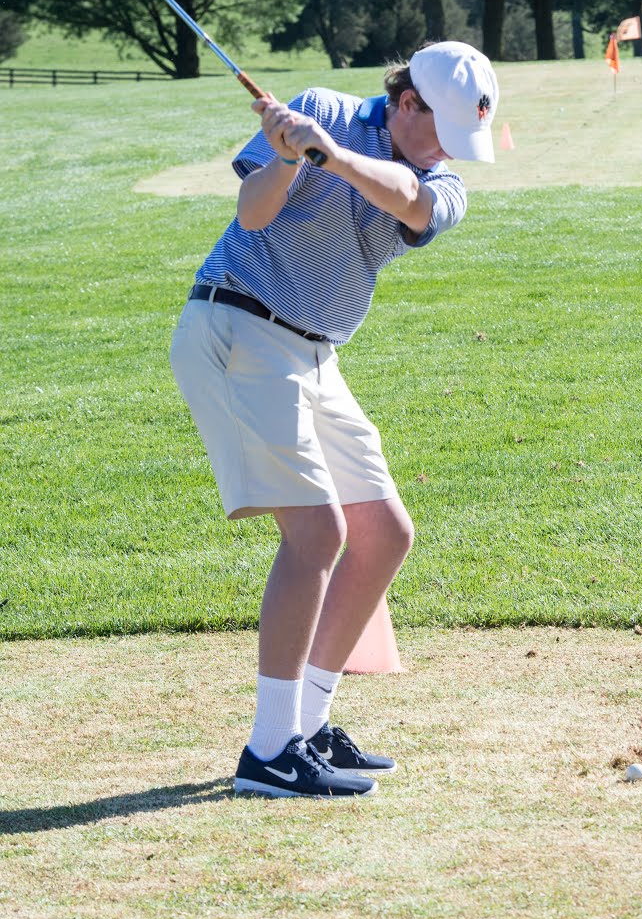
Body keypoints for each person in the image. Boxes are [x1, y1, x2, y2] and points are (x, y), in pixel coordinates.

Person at [170, 40, 499, 798]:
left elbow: (408, 202)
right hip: (238, 327)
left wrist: (332, 160)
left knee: (384, 532)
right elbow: (252, 218)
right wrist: (288, 155)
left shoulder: (439, 184)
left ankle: (308, 725)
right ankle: (268, 750)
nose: (447, 151)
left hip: (315, 355)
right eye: (440, 128)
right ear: (406, 103)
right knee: (318, 532)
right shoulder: (317, 111)